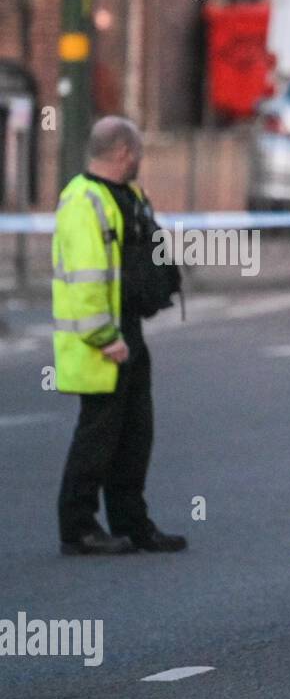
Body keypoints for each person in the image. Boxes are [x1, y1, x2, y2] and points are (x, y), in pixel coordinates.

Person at [53, 116, 187, 556]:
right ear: (124, 152)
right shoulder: (83, 201)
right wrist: (104, 337)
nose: (141, 162)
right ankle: (79, 527)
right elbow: (85, 280)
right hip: (99, 341)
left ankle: (132, 523)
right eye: (139, 154)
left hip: (127, 331)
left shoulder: (126, 196)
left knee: (135, 434)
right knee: (97, 437)